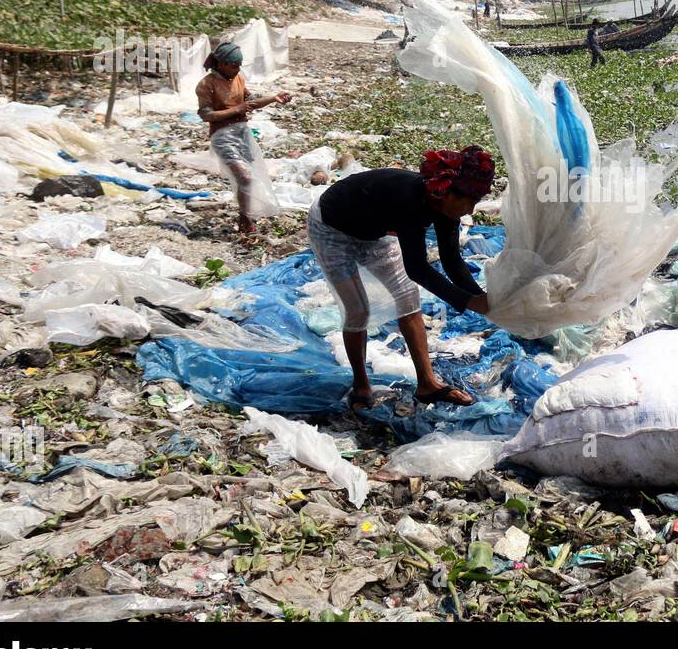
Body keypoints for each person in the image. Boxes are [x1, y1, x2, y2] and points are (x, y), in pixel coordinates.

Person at [308, 147, 495, 411]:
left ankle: (427, 384)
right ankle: (361, 384)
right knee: (358, 310)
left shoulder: (445, 208)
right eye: (468, 201)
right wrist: (466, 302)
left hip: (374, 232)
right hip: (332, 230)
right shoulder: (410, 199)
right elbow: (417, 268)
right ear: (447, 191)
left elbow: (452, 262)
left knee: (409, 300)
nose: (469, 210)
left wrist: (480, 297)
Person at [195, 42, 291, 236]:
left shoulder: (238, 78)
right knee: (245, 178)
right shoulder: (206, 85)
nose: (237, 69)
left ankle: (244, 216)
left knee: (250, 176)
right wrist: (235, 110)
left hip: (241, 132)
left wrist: (274, 98)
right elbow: (206, 115)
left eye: (239, 65)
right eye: (233, 65)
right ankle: (245, 217)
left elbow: (252, 101)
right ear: (221, 64)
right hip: (222, 136)